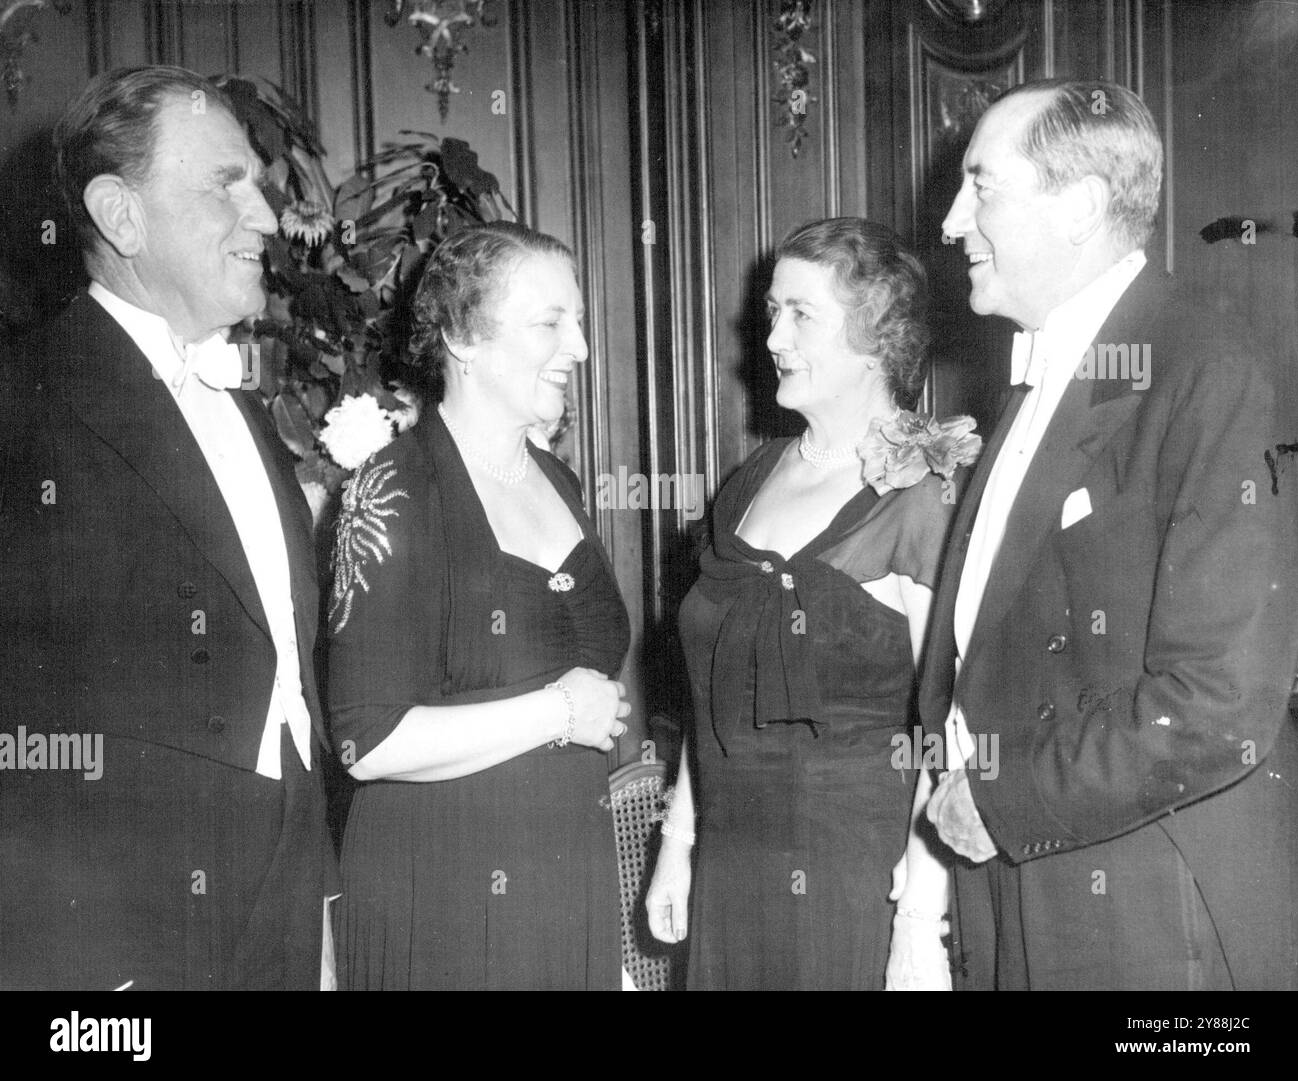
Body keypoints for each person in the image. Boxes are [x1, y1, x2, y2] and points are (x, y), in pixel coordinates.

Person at [915, 77, 1298, 990]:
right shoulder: (1037, 380)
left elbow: (1220, 701)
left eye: (982, 186)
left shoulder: (1207, 369)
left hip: (1146, 914)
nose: (952, 221)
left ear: (1080, 205)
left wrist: (1002, 799)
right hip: (1017, 892)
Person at [0, 66, 338, 990]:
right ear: (121, 215)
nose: (267, 217)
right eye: (225, 184)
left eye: (259, 188)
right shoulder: (24, 402)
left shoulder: (250, 411)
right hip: (118, 939)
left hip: (282, 893)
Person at [646, 218, 978, 989]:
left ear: (874, 337)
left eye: (801, 314)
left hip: (859, 873)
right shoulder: (750, 481)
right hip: (733, 863)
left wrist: (918, 919)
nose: (772, 338)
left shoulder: (928, 495)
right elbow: (712, 691)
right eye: (771, 312)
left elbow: (950, 722)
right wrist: (678, 840)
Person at [327, 221, 632, 990]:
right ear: (463, 338)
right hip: (443, 901)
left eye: (580, 321)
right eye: (550, 323)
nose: (581, 349)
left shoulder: (557, 481)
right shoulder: (391, 489)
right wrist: (558, 711)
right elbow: (367, 739)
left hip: (565, 887)